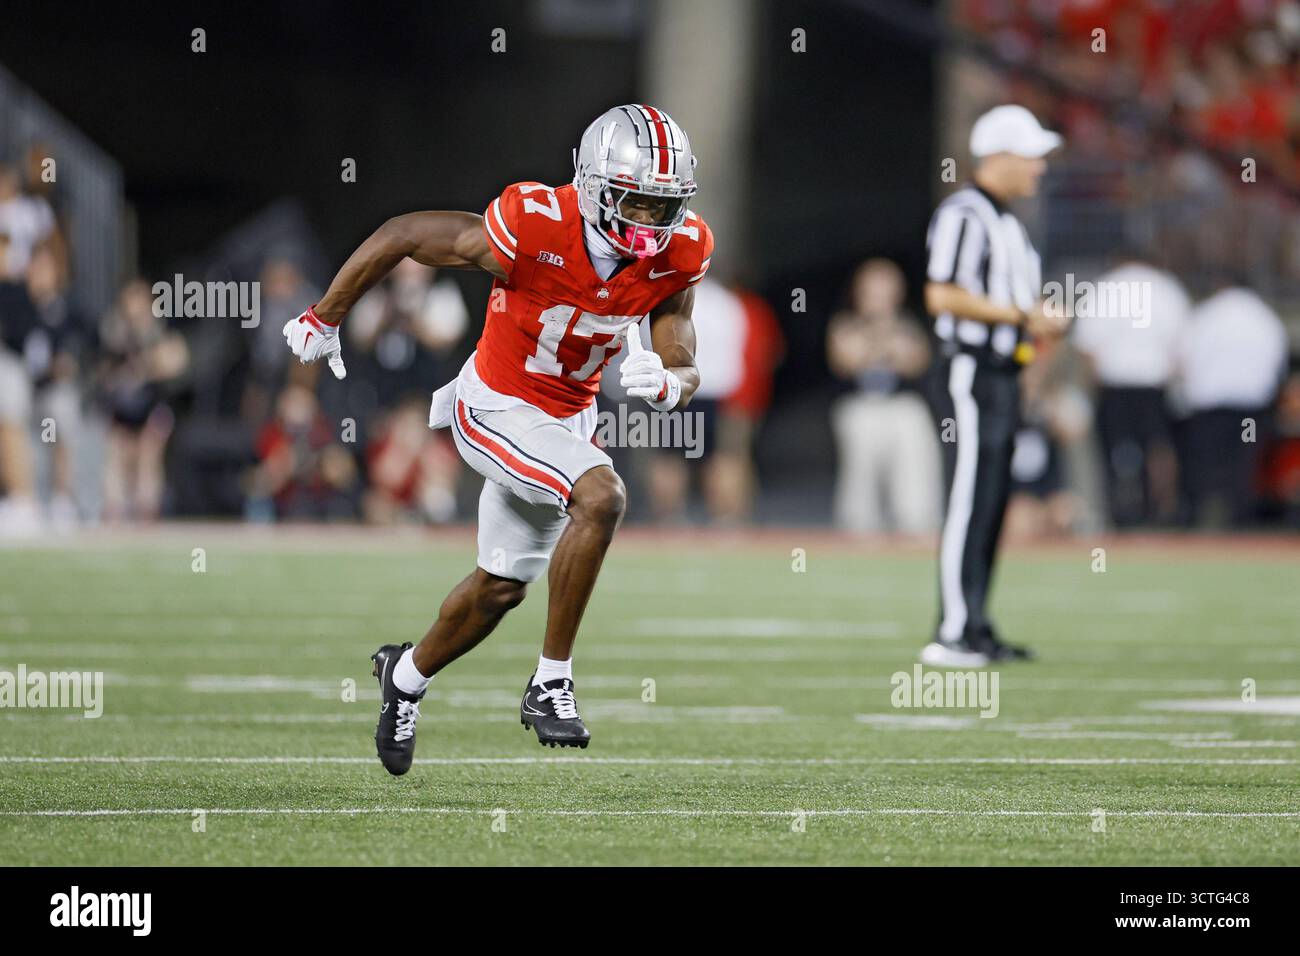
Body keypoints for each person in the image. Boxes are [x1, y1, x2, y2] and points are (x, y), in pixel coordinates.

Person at [283, 105, 712, 773]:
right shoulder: (535, 223)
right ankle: (552, 683)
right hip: (496, 403)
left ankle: (404, 677)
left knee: (500, 588)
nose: (653, 225)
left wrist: (669, 380)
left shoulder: (681, 252)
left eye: (665, 207)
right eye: (639, 203)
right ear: (596, 188)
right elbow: (403, 233)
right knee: (602, 497)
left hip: (566, 420)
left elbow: (681, 350)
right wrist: (325, 315)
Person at [922, 104, 1069, 667]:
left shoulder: (1009, 224)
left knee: (990, 501)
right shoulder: (965, 213)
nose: (1039, 169)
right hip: (971, 369)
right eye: (1031, 156)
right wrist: (1021, 316)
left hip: (1003, 372)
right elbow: (942, 295)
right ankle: (954, 631)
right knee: (968, 499)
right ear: (1000, 154)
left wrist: (1035, 328)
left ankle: (976, 623)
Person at [827, 258, 940, 534]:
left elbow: (917, 360)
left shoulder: (908, 323)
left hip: (901, 405)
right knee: (860, 471)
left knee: (914, 448)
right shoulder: (845, 323)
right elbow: (844, 359)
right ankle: (859, 528)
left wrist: (881, 338)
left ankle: (916, 526)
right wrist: (881, 341)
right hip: (861, 406)